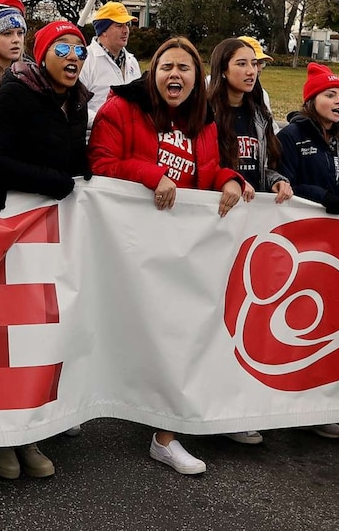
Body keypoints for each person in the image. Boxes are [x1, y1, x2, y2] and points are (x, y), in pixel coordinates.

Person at [88, 36, 246, 476]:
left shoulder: (204, 118)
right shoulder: (121, 108)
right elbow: (100, 163)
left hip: (179, 249)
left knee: (179, 337)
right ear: (152, 73)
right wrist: (150, 175)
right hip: (126, 246)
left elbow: (207, 172)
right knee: (109, 328)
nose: (175, 75)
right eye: (166, 67)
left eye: (185, 69)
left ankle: (165, 436)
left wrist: (230, 180)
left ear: (198, 79)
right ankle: (77, 407)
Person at [0, 19, 90, 480]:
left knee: (39, 334)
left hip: (49, 235)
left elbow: (74, 162)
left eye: (79, 49)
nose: (73, 57)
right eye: (63, 48)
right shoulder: (17, 92)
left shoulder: (78, 102)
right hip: (10, 228)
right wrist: (46, 182)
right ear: (42, 55)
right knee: (3, 334)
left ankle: (28, 433)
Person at [208, 38, 293, 204]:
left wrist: (276, 181)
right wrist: (230, 180)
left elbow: (261, 168)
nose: (251, 71)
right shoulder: (206, 115)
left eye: (254, 64)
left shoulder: (260, 117)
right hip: (217, 208)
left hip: (251, 213)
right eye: (241, 64)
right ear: (223, 70)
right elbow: (201, 169)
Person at [278, 63, 339, 214]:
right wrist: (321, 196)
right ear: (312, 100)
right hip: (301, 222)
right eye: (330, 95)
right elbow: (284, 186)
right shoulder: (290, 136)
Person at [81, 1, 142, 124]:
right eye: (119, 25)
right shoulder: (85, 61)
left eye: (127, 25)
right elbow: (76, 106)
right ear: (103, 31)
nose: (125, 30)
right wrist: (105, 120)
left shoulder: (132, 62)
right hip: (95, 137)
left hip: (129, 137)